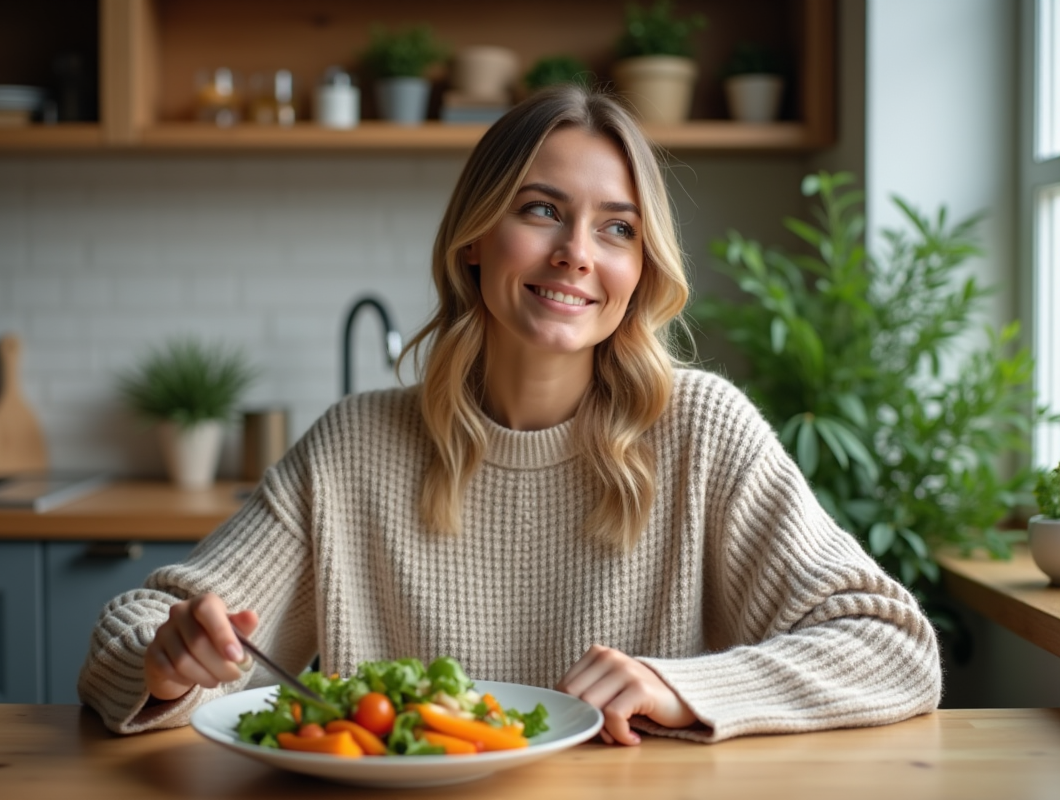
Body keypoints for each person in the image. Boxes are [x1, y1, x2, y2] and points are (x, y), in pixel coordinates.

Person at [78, 84, 941, 744]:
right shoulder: (353, 448)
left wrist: (684, 688)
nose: (575, 254)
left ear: (641, 269)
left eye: (616, 229)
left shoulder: (703, 431)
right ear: (474, 240)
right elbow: (139, 627)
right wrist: (170, 660)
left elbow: (893, 645)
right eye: (542, 211)